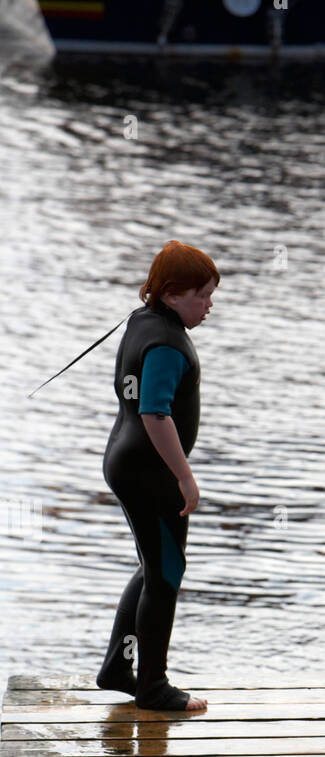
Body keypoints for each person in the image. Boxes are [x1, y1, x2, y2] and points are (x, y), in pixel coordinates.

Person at [97, 240, 218, 710]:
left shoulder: (143, 321)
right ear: (171, 294)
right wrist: (185, 478)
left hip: (126, 459)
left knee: (154, 565)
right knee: (166, 573)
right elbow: (155, 413)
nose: (209, 305)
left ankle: (116, 667)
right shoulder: (167, 343)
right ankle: (153, 686)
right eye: (201, 295)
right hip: (149, 472)